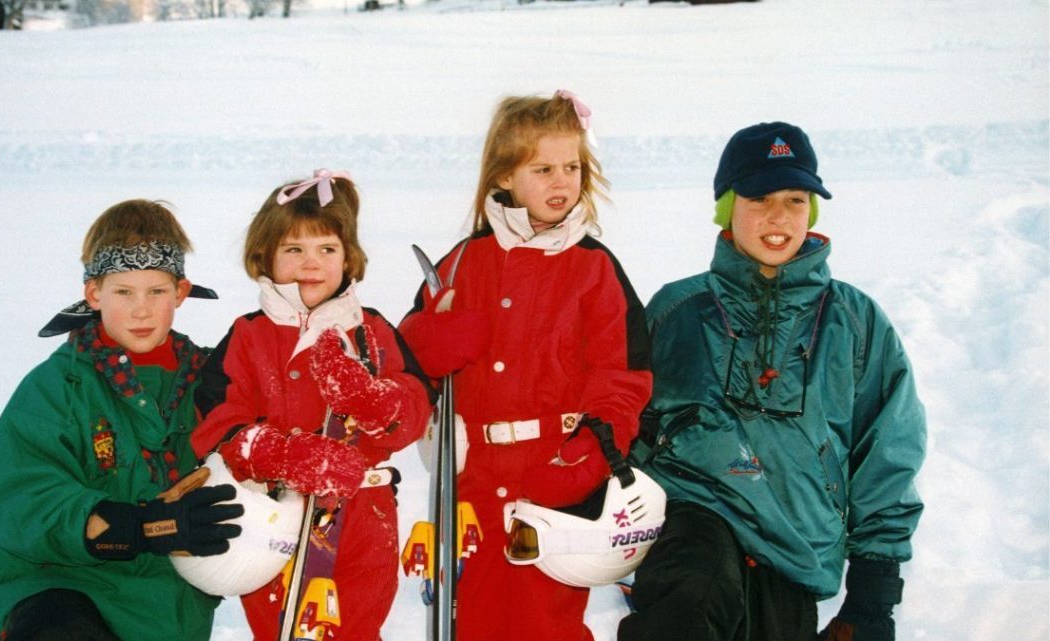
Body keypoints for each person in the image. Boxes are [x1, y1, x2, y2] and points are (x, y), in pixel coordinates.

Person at [618, 122, 926, 641]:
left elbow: (888, 450)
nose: (779, 216)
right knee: (688, 602)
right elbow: (624, 414)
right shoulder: (677, 311)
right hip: (693, 518)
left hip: (796, 541)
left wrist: (875, 590)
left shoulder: (854, 321)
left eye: (796, 199)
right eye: (759, 197)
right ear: (727, 206)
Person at [398, 90, 653, 641]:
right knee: (473, 620)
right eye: (543, 169)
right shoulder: (462, 262)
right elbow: (403, 366)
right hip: (470, 480)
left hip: (554, 475)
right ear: (505, 175)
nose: (562, 182)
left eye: (572, 168)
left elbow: (622, 376)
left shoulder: (594, 268)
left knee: (545, 622)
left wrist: (590, 452)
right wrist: (430, 340)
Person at [0, 199, 244, 641]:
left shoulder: (211, 382)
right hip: (62, 589)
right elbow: (14, 496)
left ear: (180, 291)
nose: (141, 310)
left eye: (156, 292)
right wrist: (139, 526)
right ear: (94, 293)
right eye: (124, 292)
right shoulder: (59, 386)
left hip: (167, 606)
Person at [191, 169, 435, 641]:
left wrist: (374, 401)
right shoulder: (249, 335)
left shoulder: (372, 331)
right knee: (284, 627)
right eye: (294, 249)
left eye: (327, 249)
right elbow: (216, 422)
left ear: (349, 258)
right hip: (278, 518)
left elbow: (417, 402)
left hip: (367, 514)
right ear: (265, 255)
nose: (311, 263)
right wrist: (279, 454)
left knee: (359, 625)